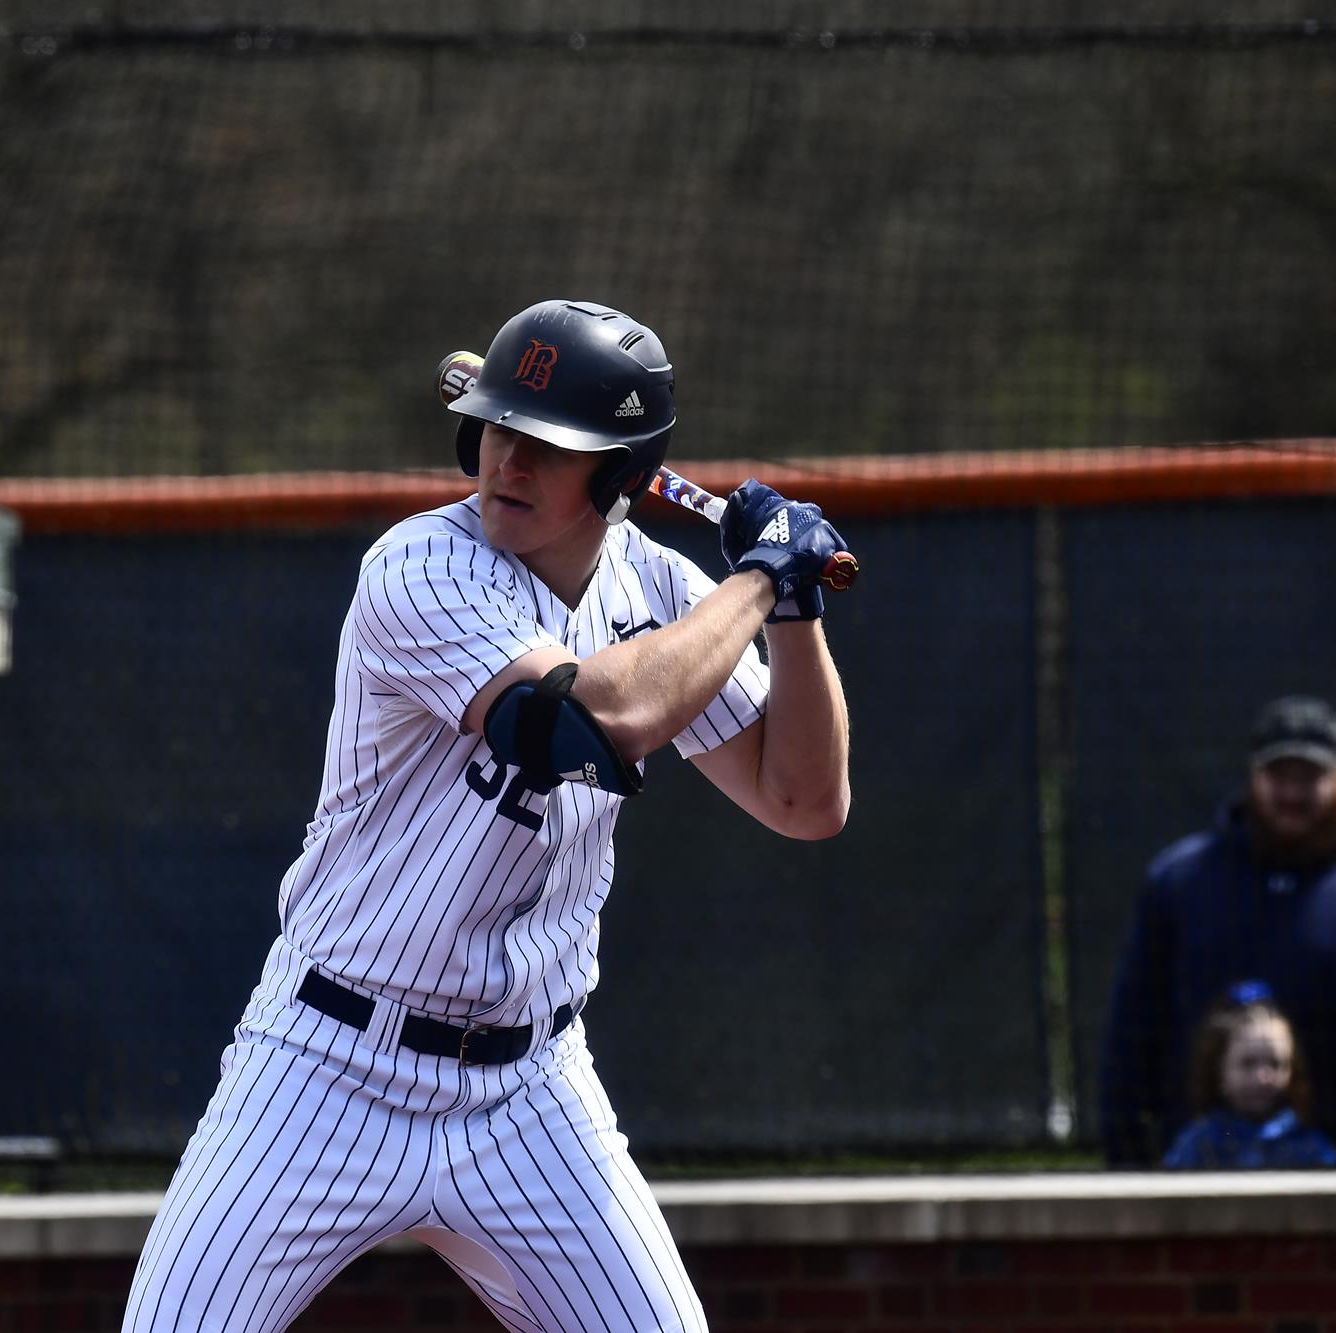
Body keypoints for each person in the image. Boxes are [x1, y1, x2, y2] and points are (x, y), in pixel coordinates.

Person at [121, 299, 852, 1333]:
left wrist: (793, 615)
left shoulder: (659, 591)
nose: (507, 459)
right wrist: (754, 576)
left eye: (548, 445)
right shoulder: (419, 567)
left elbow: (804, 800)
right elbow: (595, 719)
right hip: (328, 1059)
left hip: (529, 1087)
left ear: (617, 474)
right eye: (497, 427)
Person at [1099, 695, 1336, 1166]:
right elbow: (1132, 1037)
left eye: (1309, 777)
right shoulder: (1181, 883)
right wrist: (1129, 1160)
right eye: (1278, 776)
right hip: (1195, 1177)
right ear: (1252, 776)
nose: (1292, 793)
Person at [1161, 981, 1336, 1169]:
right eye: (1247, 1063)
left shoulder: (1310, 1147)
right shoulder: (1199, 1144)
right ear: (1218, 1070)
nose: (1263, 1077)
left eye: (1276, 1063)